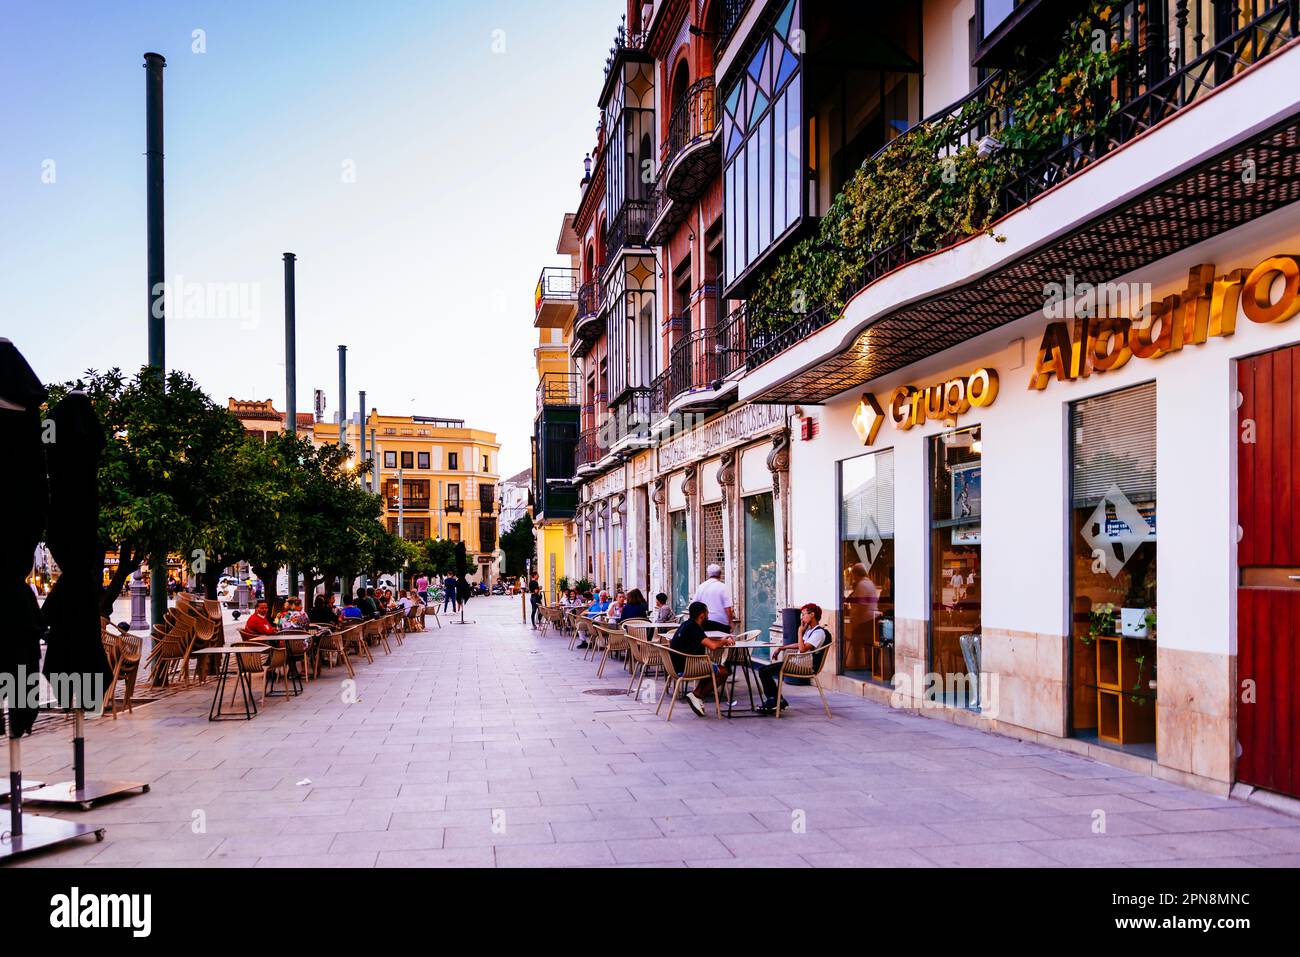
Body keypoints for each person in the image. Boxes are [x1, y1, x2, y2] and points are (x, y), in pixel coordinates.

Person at [756, 603, 831, 714]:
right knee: (764, 670)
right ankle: (776, 701)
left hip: (804, 666)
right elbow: (801, 644)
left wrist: (800, 632)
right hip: (798, 663)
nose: (802, 617)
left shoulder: (819, 633)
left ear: (812, 614)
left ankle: (775, 701)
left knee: (764, 671)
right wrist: (782, 648)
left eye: (804, 614)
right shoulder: (811, 630)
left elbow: (803, 649)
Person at [669, 601, 735, 718]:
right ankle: (697, 695)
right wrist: (725, 641)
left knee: (711, 668)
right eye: (707, 612)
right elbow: (713, 646)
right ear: (702, 615)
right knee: (724, 672)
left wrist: (720, 640)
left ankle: (697, 696)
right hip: (688, 667)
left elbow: (703, 640)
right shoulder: (694, 627)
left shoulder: (687, 624)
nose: (708, 614)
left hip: (676, 665)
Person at [692, 564, 733, 632]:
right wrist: (731, 622)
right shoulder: (723, 587)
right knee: (722, 642)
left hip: (704, 622)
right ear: (720, 574)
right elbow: (728, 608)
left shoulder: (701, 587)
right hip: (721, 623)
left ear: (708, 574)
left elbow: (694, 605)